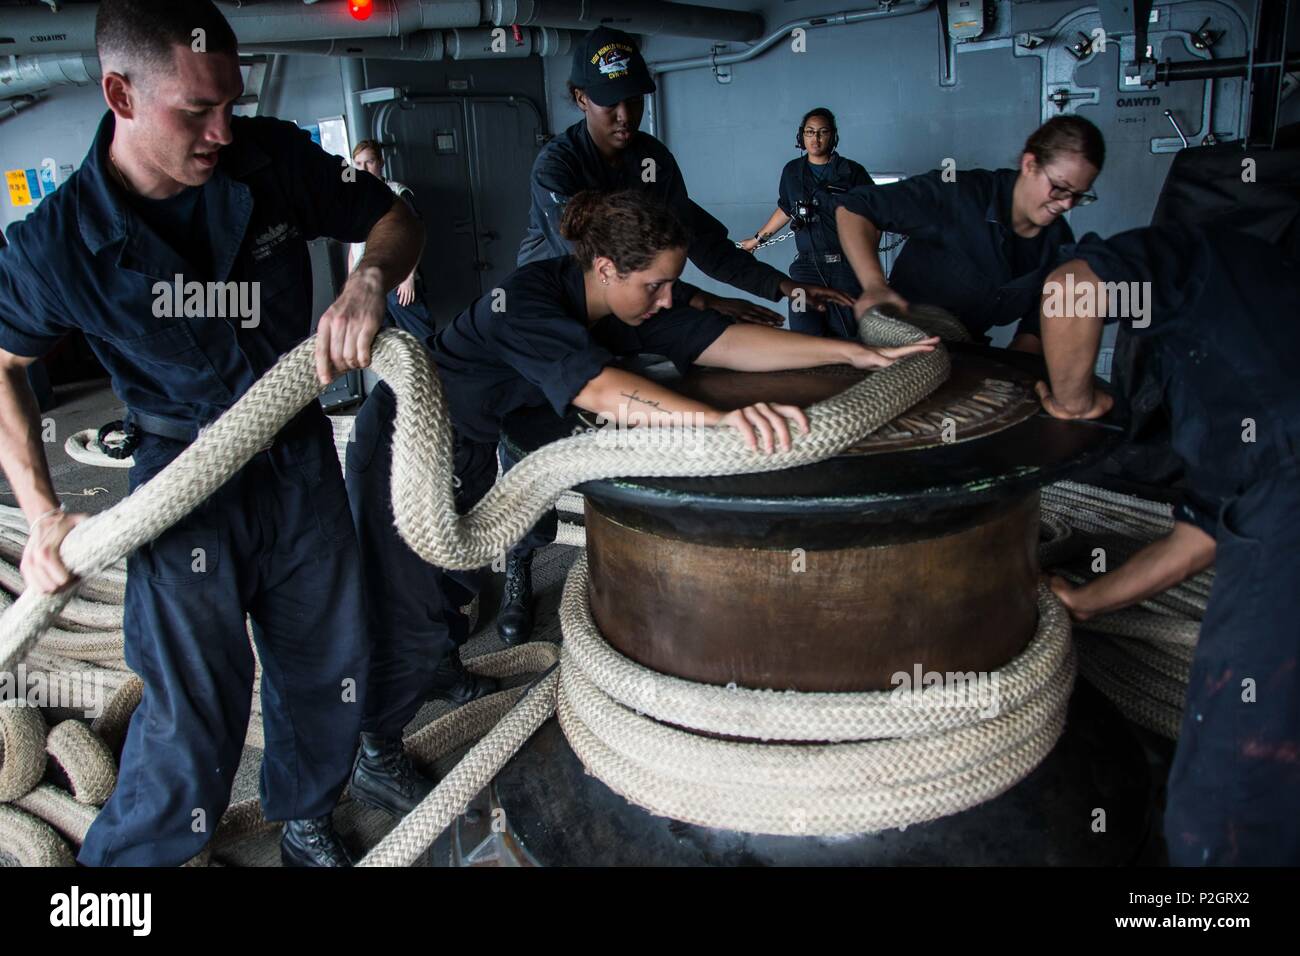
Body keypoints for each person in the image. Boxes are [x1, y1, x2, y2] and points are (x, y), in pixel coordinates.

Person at [0, 0, 424, 866]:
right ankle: (120, 878)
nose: (223, 130)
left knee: (325, 664)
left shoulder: (267, 159)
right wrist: (42, 511)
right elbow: (1, 366)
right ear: (119, 93)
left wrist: (369, 277)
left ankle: (306, 817)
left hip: (298, 458)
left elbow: (394, 217)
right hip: (179, 478)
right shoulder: (55, 244)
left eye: (231, 101)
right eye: (196, 109)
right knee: (193, 711)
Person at [346, 189, 937, 721]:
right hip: (405, 436)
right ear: (605, 268)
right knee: (400, 596)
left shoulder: (625, 308)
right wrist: (721, 421)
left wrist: (850, 355)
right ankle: (375, 749)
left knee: (451, 583)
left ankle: (439, 670)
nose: (668, 298)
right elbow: (600, 389)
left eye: (670, 283)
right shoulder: (527, 300)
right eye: (653, 284)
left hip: (467, 443)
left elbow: (725, 344)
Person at [508, 26, 855, 642]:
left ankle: (677, 527)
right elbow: (604, 265)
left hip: (636, 297)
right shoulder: (556, 165)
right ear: (578, 97)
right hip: (563, 309)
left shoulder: (652, 160)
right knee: (535, 437)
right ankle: (519, 562)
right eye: (608, 101)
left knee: (713, 337)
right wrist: (692, 294)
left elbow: (700, 237)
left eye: (634, 100)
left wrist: (782, 289)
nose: (624, 115)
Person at [1034, 224, 1300, 866]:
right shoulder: (1261, 318)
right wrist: (1088, 602)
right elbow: (1204, 532)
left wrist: (1072, 401)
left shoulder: (1201, 253)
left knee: (1229, 806)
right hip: (1271, 509)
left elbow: (1071, 291)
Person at [834, 115, 1105, 352]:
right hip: (894, 343)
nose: (1067, 204)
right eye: (1060, 187)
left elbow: (1036, 324)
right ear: (1030, 164)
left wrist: (1015, 368)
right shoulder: (958, 194)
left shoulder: (1058, 242)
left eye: (1079, 196)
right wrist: (874, 285)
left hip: (966, 354)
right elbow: (855, 208)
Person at [739, 108, 873, 338]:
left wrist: (866, 255)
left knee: (848, 333)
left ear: (833, 136)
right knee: (803, 331)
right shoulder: (792, 171)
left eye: (822, 132)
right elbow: (785, 209)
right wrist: (756, 240)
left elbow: (874, 213)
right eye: (810, 132)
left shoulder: (852, 172)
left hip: (845, 269)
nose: (816, 138)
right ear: (801, 137)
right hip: (805, 270)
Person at [347, 139, 434, 340]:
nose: (364, 169)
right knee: (385, 344)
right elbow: (354, 249)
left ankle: (433, 372)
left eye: (369, 162)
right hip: (369, 287)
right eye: (358, 164)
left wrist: (408, 277)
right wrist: (352, 285)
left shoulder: (397, 192)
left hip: (398, 282)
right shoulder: (354, 199)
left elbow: (416, 235)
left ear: (381, 162)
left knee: (422, 340)